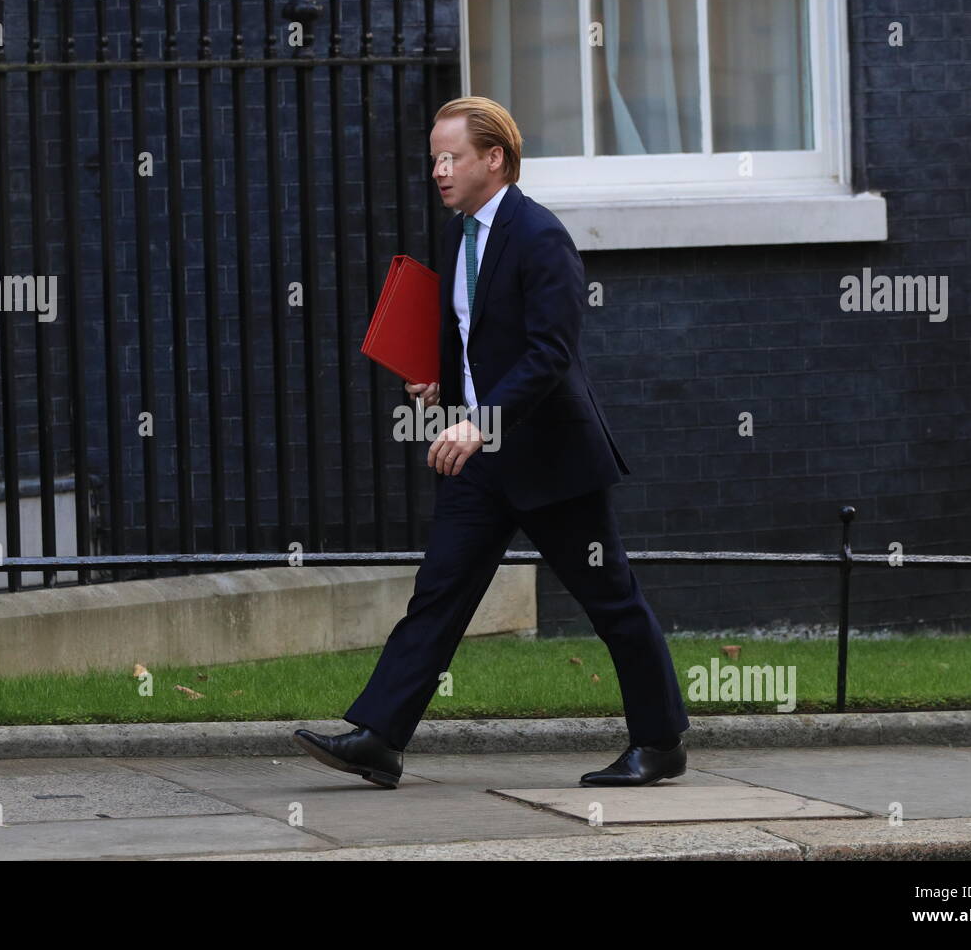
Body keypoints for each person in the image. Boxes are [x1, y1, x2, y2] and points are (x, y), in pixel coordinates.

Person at [294, 96, 689, 789]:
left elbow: (550, 353)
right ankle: (380, 738)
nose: (439, 171)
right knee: (439, 593)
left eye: (452, 158)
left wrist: (482, 421)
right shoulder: (459, 236)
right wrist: (438, 386)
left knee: (612, 601)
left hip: (550, 461)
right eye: (435, 159)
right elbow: (475, 340)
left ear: (494, 159)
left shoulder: (540, 236)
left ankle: (660, 745)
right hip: (479, 459)